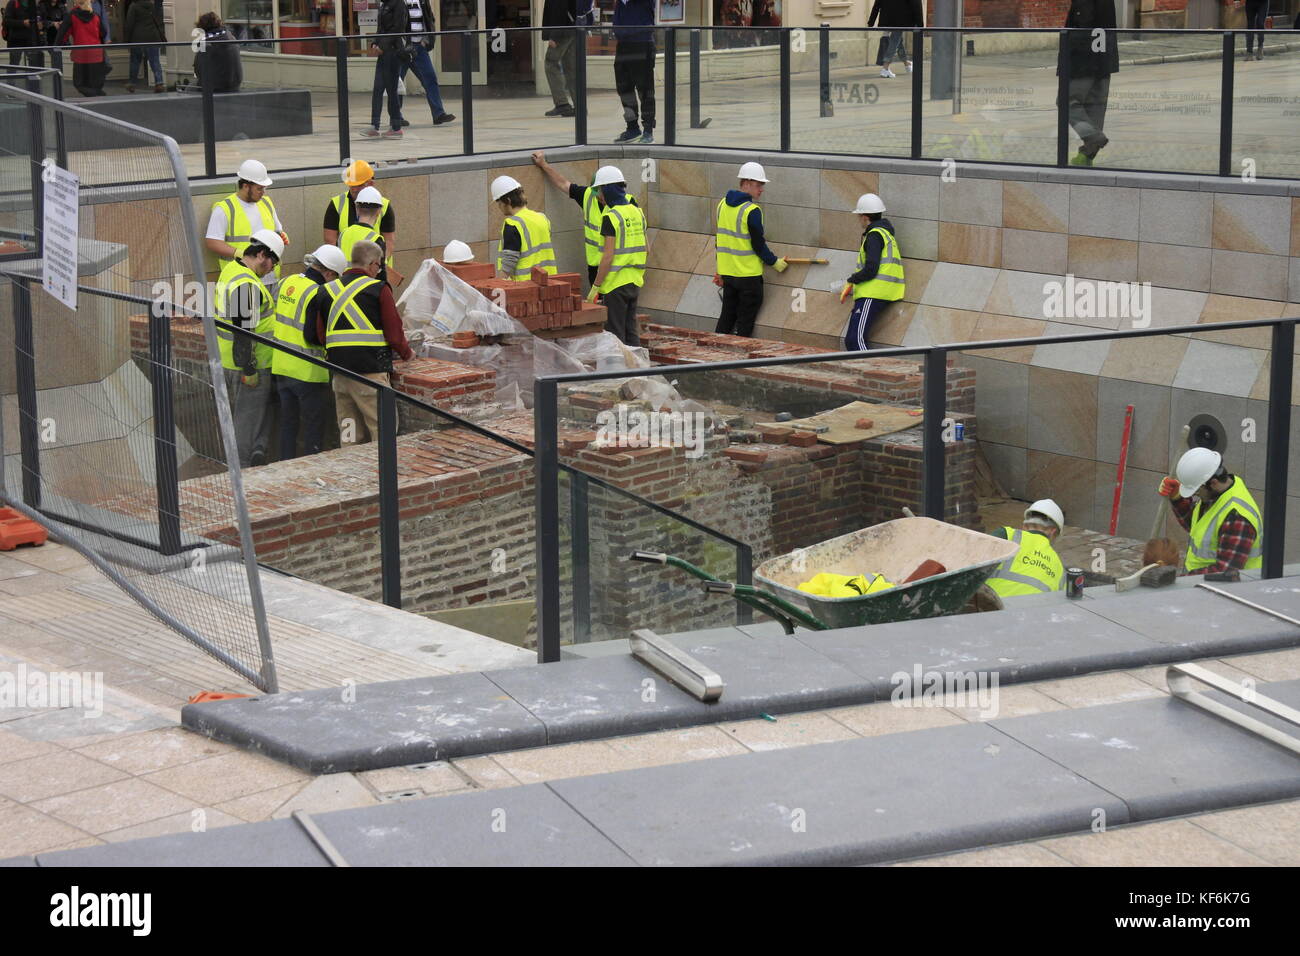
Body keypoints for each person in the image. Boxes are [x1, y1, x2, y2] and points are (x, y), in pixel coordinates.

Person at [309, 239, 413, 445]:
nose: (379, 270)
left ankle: (352, 474)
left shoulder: (325, 290)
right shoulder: (378, 289)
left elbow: (321, 336)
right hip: (370, 374)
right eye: (380, 266)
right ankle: (383, 476)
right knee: (383, 431)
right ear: (372, 264)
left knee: (348, 433)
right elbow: (394, 333)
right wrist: (407, 353)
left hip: (340, 376)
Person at [271, 243, 347, 459]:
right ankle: (310, 469)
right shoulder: (319, 292)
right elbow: (313, 336)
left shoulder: (287, 281)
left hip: (281, 366)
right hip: (308, 372)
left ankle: (285, 465)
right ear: (330, 272)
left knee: (288, 423)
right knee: (314, 427)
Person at [215, 228, 283, 467]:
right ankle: (241, 467)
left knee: (251, 415)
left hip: (228, 360)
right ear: (262, 254)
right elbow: (243, 333)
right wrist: (249, 370)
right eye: (271, 263)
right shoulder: (246, 285)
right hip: (249, 364)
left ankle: (257, 452)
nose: (271, 269)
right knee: (246, 418)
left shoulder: (232, 270)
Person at [532, 150, 638, 288]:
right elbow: (564, 184)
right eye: (596, 192)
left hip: (620, 267)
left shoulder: (630, 203)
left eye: (600, 192)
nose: (599, 196)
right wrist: (543, 164)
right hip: (596, 266)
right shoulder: (588, 196)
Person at [1160, 448, 1262, 577]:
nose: (1196, 494)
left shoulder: (1237, 518)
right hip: (1199, 582)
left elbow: (1226, 572)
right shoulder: (1218, 492)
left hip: (1224, 590)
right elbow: (1197, 527)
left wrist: (1182, 582)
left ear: (1212, 483)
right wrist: (1177, 498)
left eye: (1197, 490)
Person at [714, 161, 787, 338]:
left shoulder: (722, 204)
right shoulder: (752, 210)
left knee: (726, 318)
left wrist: (720, 272)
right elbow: (758, 244)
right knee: (744, 323)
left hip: (728, 274)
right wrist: (776, 262)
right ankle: (739, 360)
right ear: (746, 184)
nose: (761, 189)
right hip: (748, 277)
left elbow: (721, 241)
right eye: (758, 185)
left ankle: (714, 356)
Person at [205, 159, 289, 289]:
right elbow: (212, 242)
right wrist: (240, 253)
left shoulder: (266, 203)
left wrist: (281, 236)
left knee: (270, 310)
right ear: (245, 186)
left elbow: (277, 230)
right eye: (259, 188)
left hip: (270, 277)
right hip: (241, 278)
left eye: (264, 188)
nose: (263, 192)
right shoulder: (225, 208)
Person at [838, 193, 905, 351]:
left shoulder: (874, 235)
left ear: (864, 217)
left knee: (855, 339)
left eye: (859, 216)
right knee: (852, 339)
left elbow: (871, 268)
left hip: (874, 293)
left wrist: (852, 279)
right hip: (879, 292)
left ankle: (869, 370)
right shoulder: (884, 233)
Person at [587, 180, 647, 346]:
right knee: (630, 331)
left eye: (600, 190)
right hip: (634, 281)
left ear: (608, 190)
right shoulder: (637, 212)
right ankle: (637, 371)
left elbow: (607, 257)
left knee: (615, 336)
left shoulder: (610, 217)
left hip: (615, 285)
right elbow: (647, 248)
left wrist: (595, 287)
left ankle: (618, 371)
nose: (599, 196)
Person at [1059, 0, 1118, 167]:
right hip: (1104, 59)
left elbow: (1082, 24)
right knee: (1095, 107)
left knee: (1066, 101)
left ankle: (1093, 138)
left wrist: (1068, 57)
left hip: (1084, 62)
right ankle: (1087, 156)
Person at [985, 499, 1066, 598]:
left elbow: (972, 560)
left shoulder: (1007, 535)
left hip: (992, 608)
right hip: (1034, 612)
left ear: (1025, 526)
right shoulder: (1059, 568)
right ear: (1053, 532)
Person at [396, 0, 455, 128]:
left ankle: (438, 114)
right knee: (398, 82)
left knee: (430, 78)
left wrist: (427, 40)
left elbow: (429, 19)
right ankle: (396, 117)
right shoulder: (398, 2)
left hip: (419, 48)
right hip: (402, 48)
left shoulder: (422, 1)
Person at [491, 174, 557, 281]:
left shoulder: (512, 224)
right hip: (550, 283)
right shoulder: (542, 218)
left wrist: (498, 284)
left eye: (499, 203)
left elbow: (509, 262)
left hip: (526, 286)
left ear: (507, 201)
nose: (499, 207)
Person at [361, 0, 410, 139]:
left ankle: (396, 128)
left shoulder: (399, 4)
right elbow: (381, 28)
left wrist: (382, 46)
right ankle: (374, 125)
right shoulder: (384, 5)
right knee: (377, 88)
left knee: (391, 90)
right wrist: (375, 43)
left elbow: (398, 28)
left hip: (393, 52)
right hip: (383, 52)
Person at [338, 185, 403, 287]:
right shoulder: (376, 239)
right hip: (364, 290)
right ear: (378, 212)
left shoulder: (343, 234)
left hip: (343, 288)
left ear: (357, 208)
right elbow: (381, 276)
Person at [323, 160, 395, 251]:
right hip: (346, 265)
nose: (354, 189)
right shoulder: (336, 204)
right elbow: (330, 243)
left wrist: (381, 263)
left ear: (371, 183)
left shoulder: (384, 205)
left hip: (376, 263)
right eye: (351, 185)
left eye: (359, 185)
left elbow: (389, 242)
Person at [612, 0, 655, 144]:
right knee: (624, 89)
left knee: (645, 91)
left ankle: (648, 130)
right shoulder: (620, 2)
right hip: (623, 46)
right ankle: (632, 128)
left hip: (642, 45)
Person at [55, 0, 106, 96]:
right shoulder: (95, 16)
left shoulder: (72, 16)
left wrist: (57, 45)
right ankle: (97, 95)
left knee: (79, 83)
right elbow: (103, 33)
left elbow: (62, 34)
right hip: (96, 53)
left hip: (80, 54)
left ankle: (94, 96)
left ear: (76, 3)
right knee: (95, 82)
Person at [541, 0, 577, 117]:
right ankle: (580, 105)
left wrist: (554, 36)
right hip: (572, 28)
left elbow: (559, 10)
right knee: (571, 68)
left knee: (550, 63)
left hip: (562, 31)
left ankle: (562, 104)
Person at [868, 0, 920, 78]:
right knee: (895, 40)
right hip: (900, 19)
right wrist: (919, 23)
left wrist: (871, 21)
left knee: (897, 40)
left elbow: (877, 4)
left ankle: (906, 63)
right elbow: (916, 5)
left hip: (886, 18)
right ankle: (885, 68)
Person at [193, 12, 242, 93]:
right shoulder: (231, 37)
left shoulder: (205, 43)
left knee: (188, 89)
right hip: (235, 86)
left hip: (216, 89)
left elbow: (198, 71)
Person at [123, 0, 165, 92]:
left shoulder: (133, 6)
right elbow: (159, 20)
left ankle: (132, 83)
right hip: (153, 37)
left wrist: (126, 40)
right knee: (155, 61)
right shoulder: (153, 6)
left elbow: (129, 24)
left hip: (137, 38)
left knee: (135, 61)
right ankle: (159, 83)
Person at [5, 0, 45, 67]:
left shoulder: (36, 4)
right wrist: (23, 23)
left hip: (32, 40)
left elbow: (43, 18)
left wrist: (41, 24)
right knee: (14, 65)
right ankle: (12, 77)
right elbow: (6, 21)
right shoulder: (13, 3)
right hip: (16, 41)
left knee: (34, 65)